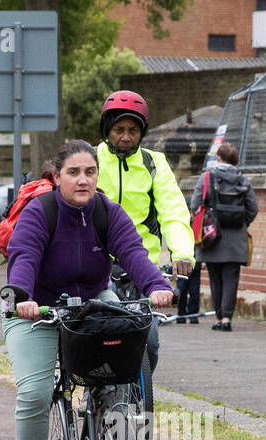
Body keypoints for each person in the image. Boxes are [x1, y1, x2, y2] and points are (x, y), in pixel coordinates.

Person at [1, 139, 173, 440]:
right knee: (35, 393)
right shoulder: (39, 213)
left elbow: (134, 254)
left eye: (90, 172)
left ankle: (111, 415)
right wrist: (22, 297)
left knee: (140, 336)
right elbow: (23, 257)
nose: (83, 180)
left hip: (94, 298)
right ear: (56, 176)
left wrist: (156, 287)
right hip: (38, 308)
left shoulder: (108, 213)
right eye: (73, 172)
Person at [95, 91, 194, 368]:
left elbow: (173, 212)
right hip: (95, 266)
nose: (126, 137)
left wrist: (182, 254)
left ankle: (137, 397)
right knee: (92, 337)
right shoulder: (90, 160)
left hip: (141, 268)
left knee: (149, 342)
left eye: (133, 130)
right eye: (119, 130)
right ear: (107, 129)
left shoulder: (154, 164)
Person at [191, 143, 257, 332]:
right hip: (236, 238)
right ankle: (227, 317)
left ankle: (219, 318)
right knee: (231, 278)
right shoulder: (243, 180)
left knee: (215, 278)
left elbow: (195, 204)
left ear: (219, 158)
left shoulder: (206, 177)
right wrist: (242, 223)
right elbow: (253, 208)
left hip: (211, 237)